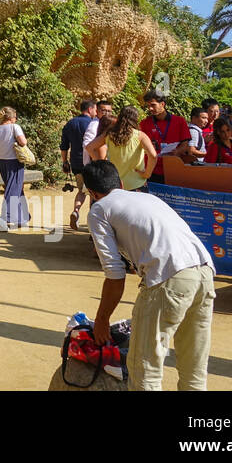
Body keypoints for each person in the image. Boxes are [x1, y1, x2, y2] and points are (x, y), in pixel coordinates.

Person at [83, 159, 216, 391]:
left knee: (145, 371)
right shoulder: (147, 197)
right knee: (194, 369)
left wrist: (102, 320)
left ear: (92, 193)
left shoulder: (99, 209)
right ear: (121, 183)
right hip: (204, 272)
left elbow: (115, 274)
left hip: (169, 277)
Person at [89, 106, 158, 192]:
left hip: (115, 183)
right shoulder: (140, 136)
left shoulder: (109, 134)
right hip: (136, 184)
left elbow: (90, 147)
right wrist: (147, 174)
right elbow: (153, 156)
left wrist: (102, 165)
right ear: (135, 119)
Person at [140, 90, 190, 182]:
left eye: (153, 105)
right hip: (150, 169)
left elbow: (185, 145)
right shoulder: (144, 123)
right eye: (148, 106)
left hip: (171, 168)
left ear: (162, 104)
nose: (150, 108)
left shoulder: (179, 121)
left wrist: (178, 151)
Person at [0, 107, 30, 229]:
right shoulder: (15, 127)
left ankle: (22, 217)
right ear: (10, 117)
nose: (16, 119)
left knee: (16, 187)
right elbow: (23, 142)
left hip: (1, 160)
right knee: (13, 189)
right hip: (13, 161)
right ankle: (5, 218)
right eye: (15, 116)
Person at [61, 101, 97, 230]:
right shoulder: (94, 124)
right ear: (90, 109)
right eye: (95, 109)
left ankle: (76, 211)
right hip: (92, 161)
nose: (96, 112)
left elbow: (64, 146)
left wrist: (65, 162)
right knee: (95, 192)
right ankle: (93, 223)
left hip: (76, 162)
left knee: (81, 190)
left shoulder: (70, 123)